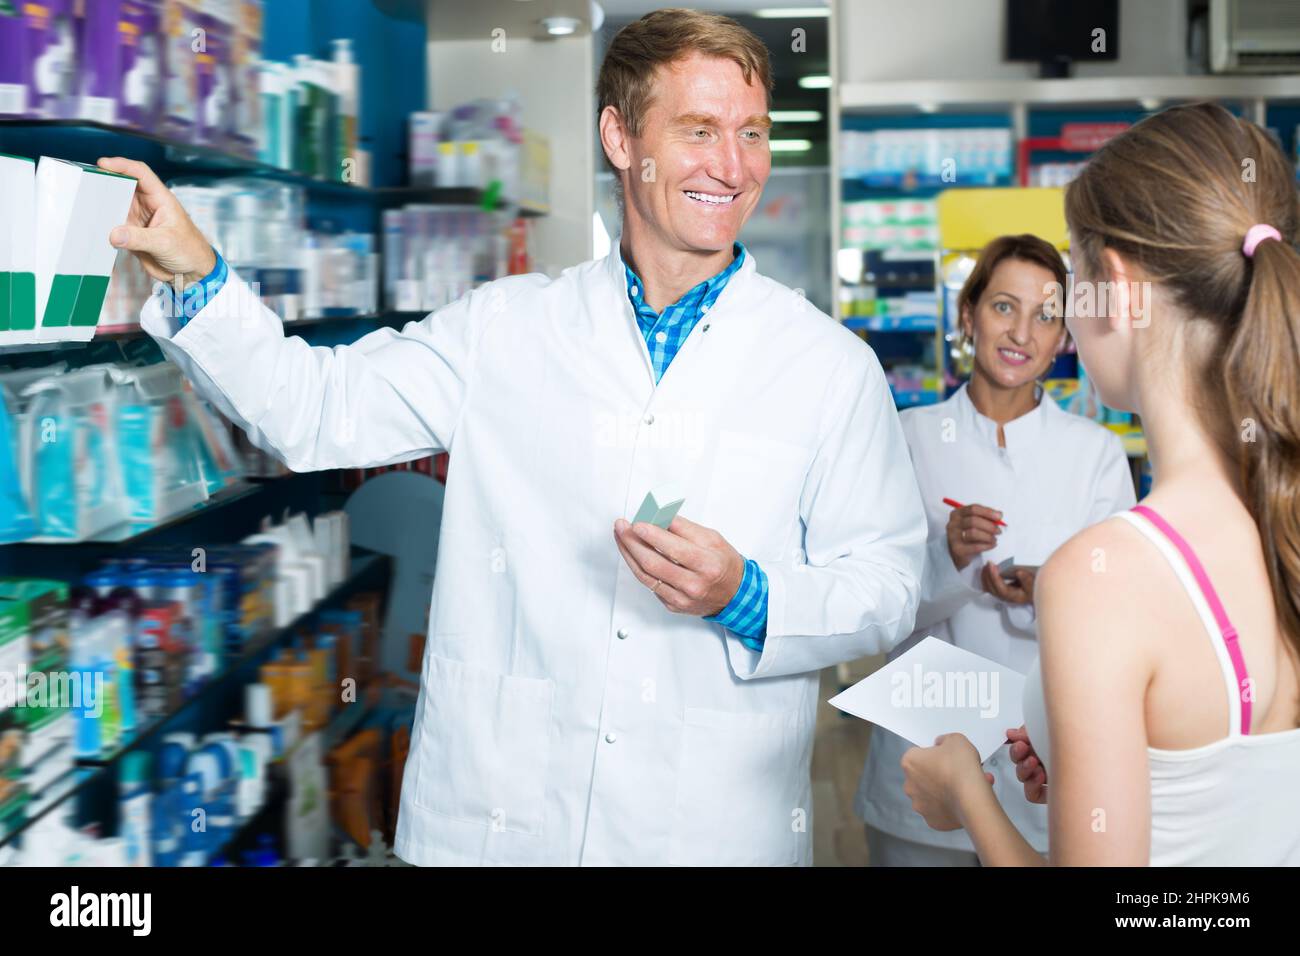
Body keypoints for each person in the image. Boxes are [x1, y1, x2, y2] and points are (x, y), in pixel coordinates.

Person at [100, 8, 927, 866]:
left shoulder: (828, 365)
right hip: (497, 814)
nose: (733, 165)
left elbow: (888, 585)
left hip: (707, 825)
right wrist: (199, 274)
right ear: (619, 135)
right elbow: (314, 409)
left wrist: (747, 595)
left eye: (752, 132)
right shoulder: (505, 327)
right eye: (699, 130)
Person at [901, 102, 1300, 865]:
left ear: (1113, 286)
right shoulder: (1277, 517)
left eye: (1069, 289)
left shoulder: (1103, 576)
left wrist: (967, 793)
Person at [855, 234, 1134, 866]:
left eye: (1046, 316)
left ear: (1065, 337)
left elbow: (1120, 620)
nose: (1022, 333)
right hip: (920, 756)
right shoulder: (906, 438)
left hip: (1042, 766)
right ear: (968, 314)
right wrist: (949, 561)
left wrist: (1053, 594)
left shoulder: (1094, 455)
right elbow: (869, 608)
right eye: (1004, 306)